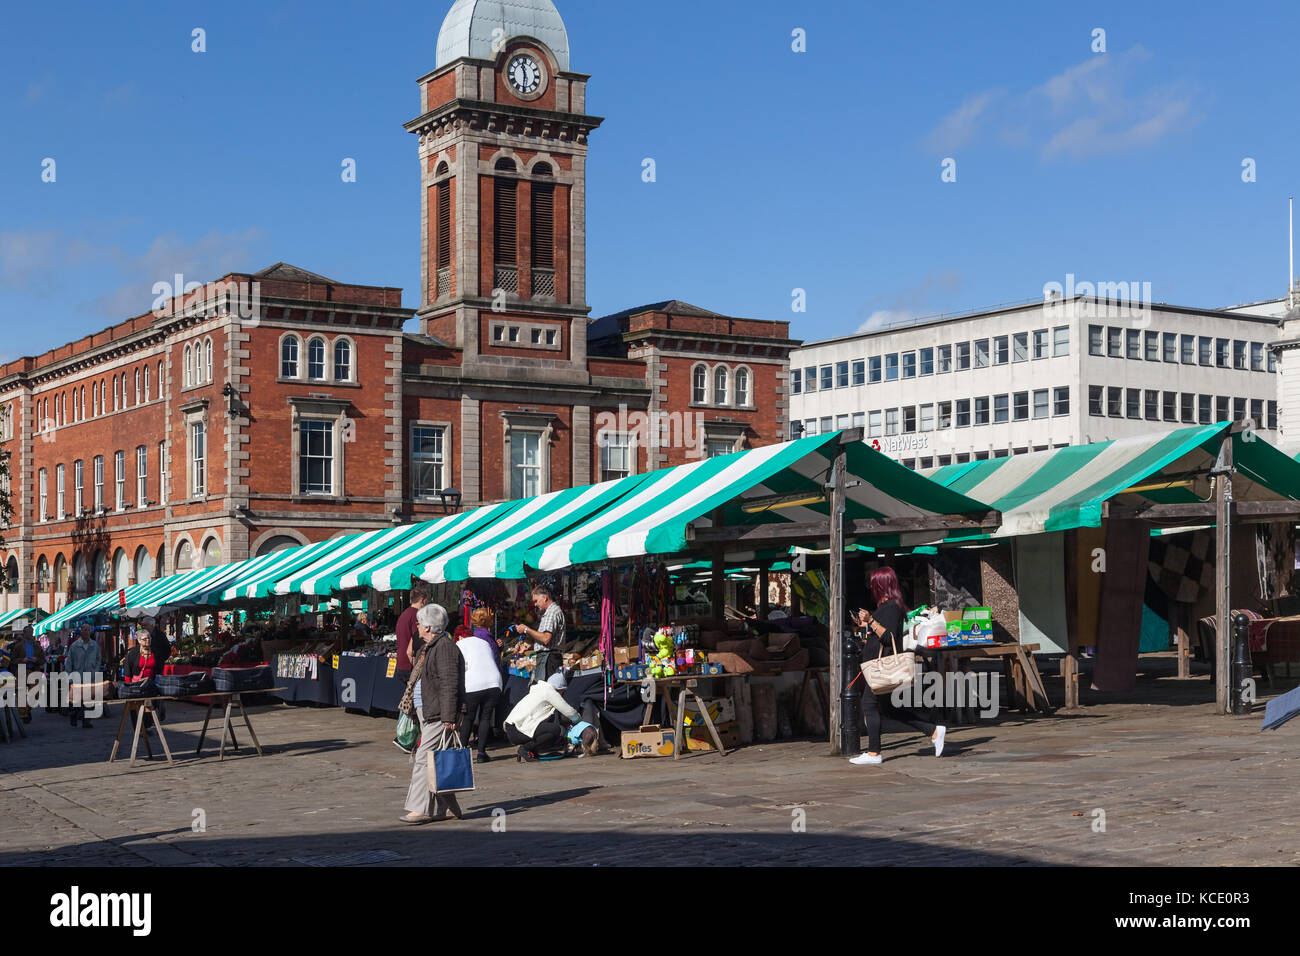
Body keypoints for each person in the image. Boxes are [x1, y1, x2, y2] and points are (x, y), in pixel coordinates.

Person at [849, 566, 946, 765]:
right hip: (878, 666)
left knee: (868, 704)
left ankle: (874, 753)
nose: (870, 586)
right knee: (888, 709)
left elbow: (889, 636)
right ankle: (934, 730)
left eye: (874, 583)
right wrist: (866, 626)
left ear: (882, 585)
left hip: (882, 667)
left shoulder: (892, 607)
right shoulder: (886, 607)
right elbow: (880, 633)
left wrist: (871, 620)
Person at [400, 604, 466, 825]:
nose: (416, 626)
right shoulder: (428, 647)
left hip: (438, 713)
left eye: (419, 623)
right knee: (434, 761)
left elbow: (449, 683)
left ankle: (420, 809)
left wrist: (448, 717)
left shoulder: (444, 647)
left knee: (424, 759)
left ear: (428, 626)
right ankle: (446, 806)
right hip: (427, 710)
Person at [503, 676, 598, 762]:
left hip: (512, 728)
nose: (562, 694)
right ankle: (525, 749)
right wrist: (579, 722)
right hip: (517, 730)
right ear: (560, 689)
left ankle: (529, 750)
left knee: (547, 729)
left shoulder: (539, 690)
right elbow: (569, 712)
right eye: (563, 691)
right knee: (556, 730)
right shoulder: (549, 692)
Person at [457, 607, 502, 764]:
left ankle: (462, 752)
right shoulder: (486, 641)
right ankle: (482, 753)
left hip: (473, 684)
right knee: (485, 717)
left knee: (468, 718)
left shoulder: (461, 644)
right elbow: (495, 660)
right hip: (493, 682)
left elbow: (458, 667)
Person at [508, 583, 566, 683]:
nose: (535, 604)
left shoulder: (552, 613)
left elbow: (546, 638)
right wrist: (528, 647)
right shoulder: (549, 612)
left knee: (545, 691)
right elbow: (545, 639)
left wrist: (526, 629)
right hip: (548, 657)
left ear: (544, 597)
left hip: (549, 658)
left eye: (536, 601)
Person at [65, 625, 102, 729]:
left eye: (88, 630)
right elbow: (69, 662)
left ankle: (86, 722)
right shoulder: (74, 646)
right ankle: (73, 716)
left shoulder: (94, 645)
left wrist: (96, 671)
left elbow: (99, 659)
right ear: (80, 631)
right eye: (84, 630)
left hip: (90, 676)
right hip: (77, 676)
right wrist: (69, 676)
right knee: (76, 701)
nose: (86, 632)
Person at [394, 584, 431, 687]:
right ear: (422, 600)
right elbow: (419, 638)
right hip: (410, 663)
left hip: (402, 661)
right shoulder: (416, 615)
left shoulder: (405, 613)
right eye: (427, 600)